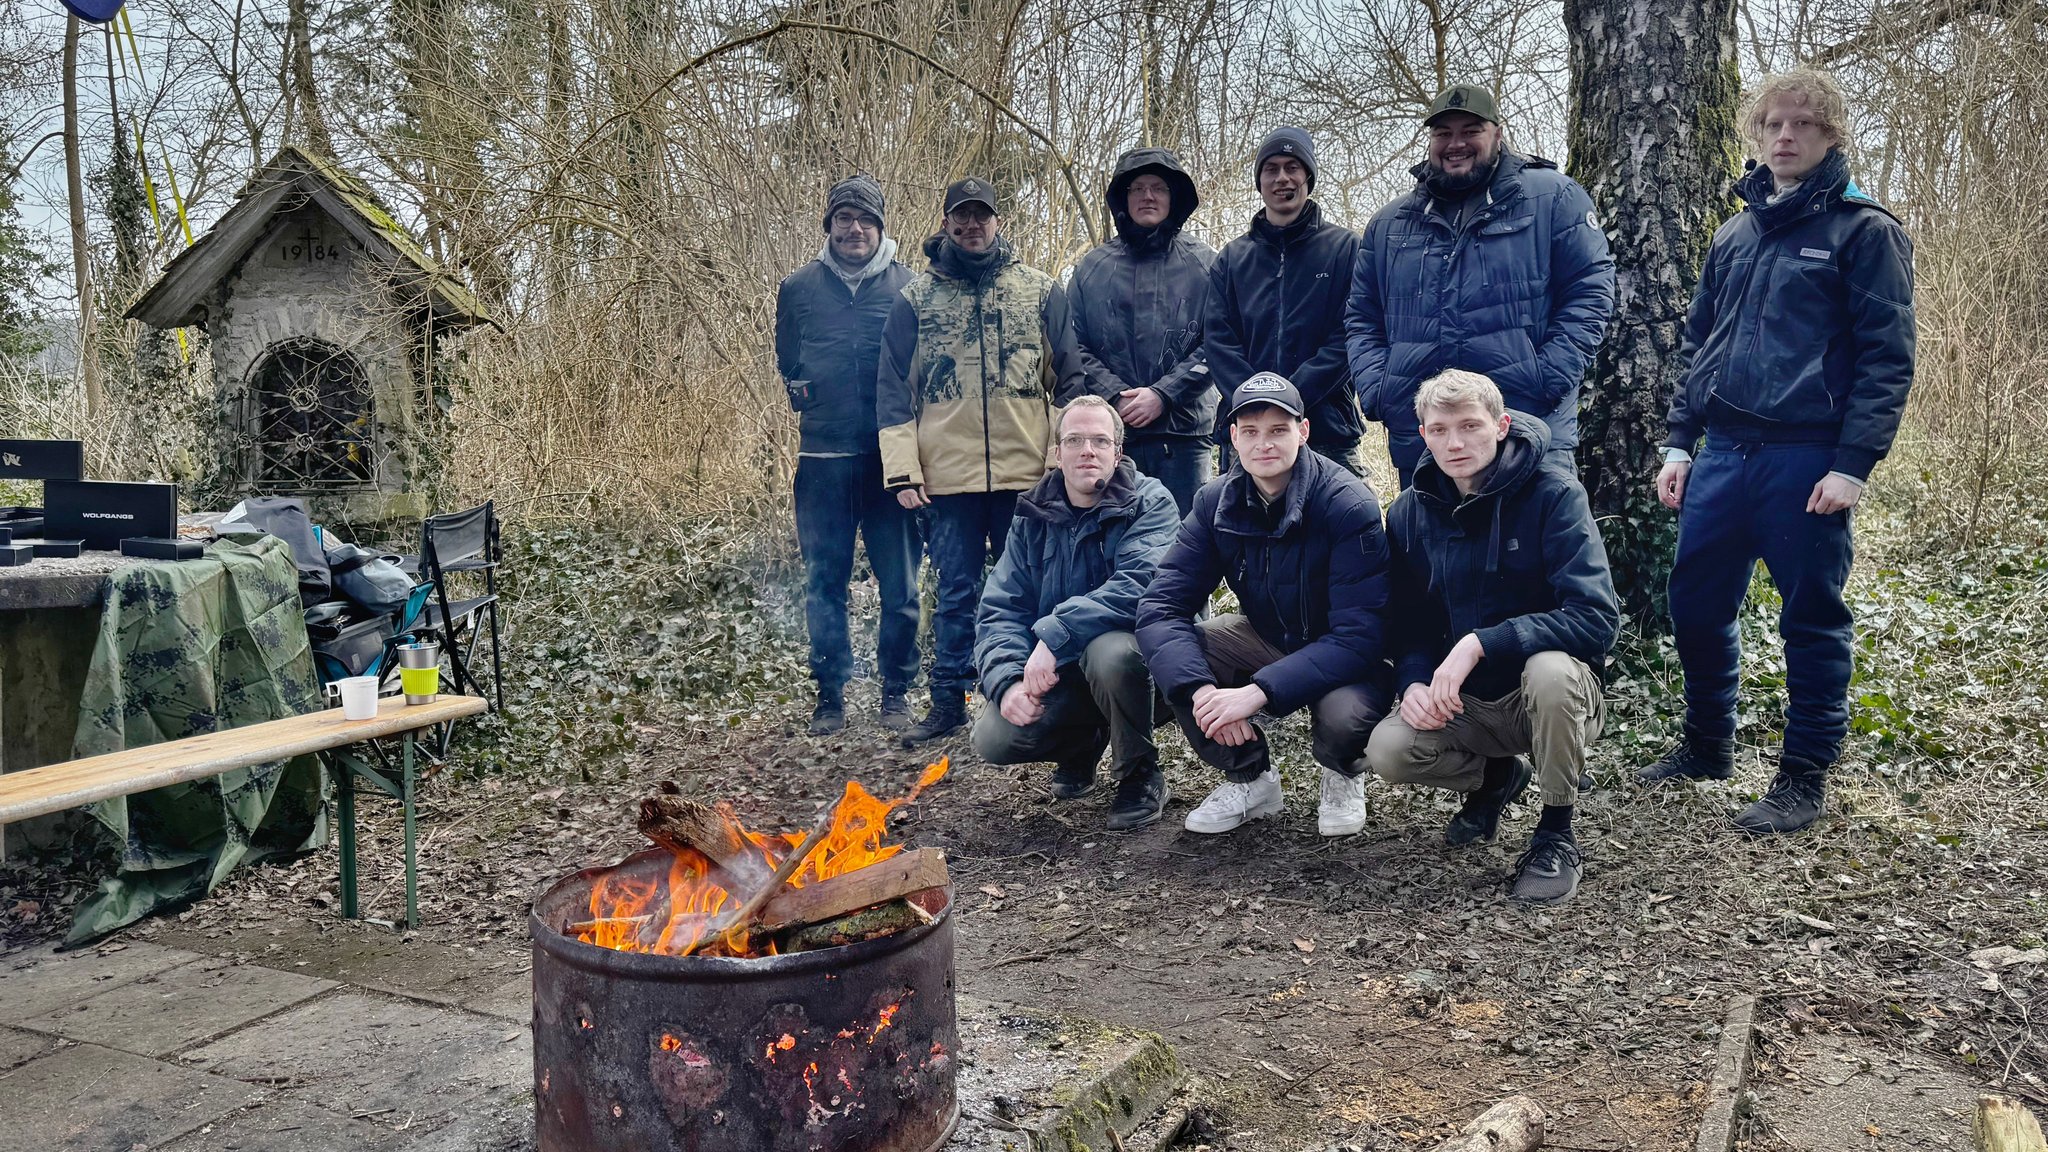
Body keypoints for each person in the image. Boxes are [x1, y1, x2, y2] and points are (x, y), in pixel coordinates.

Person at [1641, 69, 1915, 835]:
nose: (1785, 137)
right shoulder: (1734, 233)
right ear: (1755, 135)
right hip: (1722, 452)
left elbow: (1886, 361)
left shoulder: (1866, 233)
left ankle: (1802, 778)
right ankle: (1706, 745)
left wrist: (1853, 464)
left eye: (1803, 125)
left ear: (1831, 136)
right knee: (1695, 605)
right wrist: (1678, 442)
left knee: (1812, 619)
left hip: (1806, 459)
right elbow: (1700, 344)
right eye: (1772, 125)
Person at [1365, 370, 1619, 903]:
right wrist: (1412, 681)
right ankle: (1495, 779)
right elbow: (1408, 621)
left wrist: (1481, 642)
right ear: (1422, 434)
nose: (1455, 444)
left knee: (1548, 671)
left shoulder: (1554, 494)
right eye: (1439, 430)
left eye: (1470, 426)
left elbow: (1596, 617)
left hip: (1549, 697)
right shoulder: (1410, 512)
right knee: (1390, 750)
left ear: (1502, 426)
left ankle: (1555, 833)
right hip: (1468, 704)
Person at [877, 176, 1087, 746]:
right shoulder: (915, 299)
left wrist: (1058, 460)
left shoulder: (1040, 291)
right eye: (961, 217)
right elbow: (894, 387)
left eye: (982, 216)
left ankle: (1048, 697)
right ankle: (948, 700)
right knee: (956, 590)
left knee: (1039, 591)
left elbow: (1070, 379)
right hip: (949, 477)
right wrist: (903, 469)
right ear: (945, 223)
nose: (972, 226)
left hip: (1029, 476)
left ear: (999, 222)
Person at [1136, 372, 1391, 837]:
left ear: (1304, 431)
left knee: (1343, 717)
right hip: (1268, 636)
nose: (1263, 444)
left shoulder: (1348, 504)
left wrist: (1257, 693)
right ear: (1233, 437)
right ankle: (1250, 777)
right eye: (1250, 432)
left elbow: (1360, 636)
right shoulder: (1214, 503)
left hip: (1346, 656)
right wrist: (1202, 694)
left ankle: (1342, 772)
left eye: (1278, 430)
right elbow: (1160, 607)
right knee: (1182, 654)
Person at [1344, 83, 1615, 486]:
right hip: (1426, 440)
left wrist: (1546, 377)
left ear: (1498, 134)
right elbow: (1362, 316)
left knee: (1541, 546)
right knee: (1430, 548)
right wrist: (1381, 390)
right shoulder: (1390, 223)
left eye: (1470, 130)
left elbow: (1590, 292)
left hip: (1527, 426)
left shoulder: (1554, 198)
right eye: (1443, 133)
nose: (1456, 143)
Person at [971, 397, 1183, 830]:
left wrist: (1057, 633)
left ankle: (1139, 772)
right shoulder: (1032, 514)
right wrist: (1008, 681)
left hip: (1151, 666)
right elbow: (1000, 609)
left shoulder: (1150, 501)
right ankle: (1083, 743)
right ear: (1057, 452)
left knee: (1110, 652)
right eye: (1074, 440)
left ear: (1117, 452)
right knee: (994, 738)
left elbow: (1143, 586)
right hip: (1067, 670)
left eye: (1100, 440)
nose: (1087, 449)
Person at [775, 174, 920, 734]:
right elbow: (787, 358)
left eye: (865, 219)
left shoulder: (910, 286)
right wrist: (809, 392)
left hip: (894, 462)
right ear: (830, 225)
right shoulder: (798, 288)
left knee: (901, 584)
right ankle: (830, 695)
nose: (854, 229)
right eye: (843, 218)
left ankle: (896, 694)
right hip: (823, 460)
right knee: (823, 581)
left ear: (881, 226)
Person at [1068, 148, 1218, 517]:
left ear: (1175, 198)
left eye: (1158, 188)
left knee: (1187, 549)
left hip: (1184, 436)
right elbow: (1072, 345)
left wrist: (1163, 395)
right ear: (1123, 198)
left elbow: (1220, 343)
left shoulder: (1207, 265)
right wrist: (1115, 396)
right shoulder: (1091, 268)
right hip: (1111, 439)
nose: (1147, 196)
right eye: (1137, 188)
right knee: (1113, 543)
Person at [1205, 128, 1364, 475]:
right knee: (1242, 529)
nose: (1282, 178)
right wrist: (1255, 401)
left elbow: (1351, 333)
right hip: (1248, 433)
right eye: (1271, 169)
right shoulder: (1232, 259)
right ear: (1259, 181)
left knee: (1343, 526)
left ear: (1308, 176)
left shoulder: (1345, 250)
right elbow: (1218, 339)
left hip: (1326, 431)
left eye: (1292, 167)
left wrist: (1291, 397)